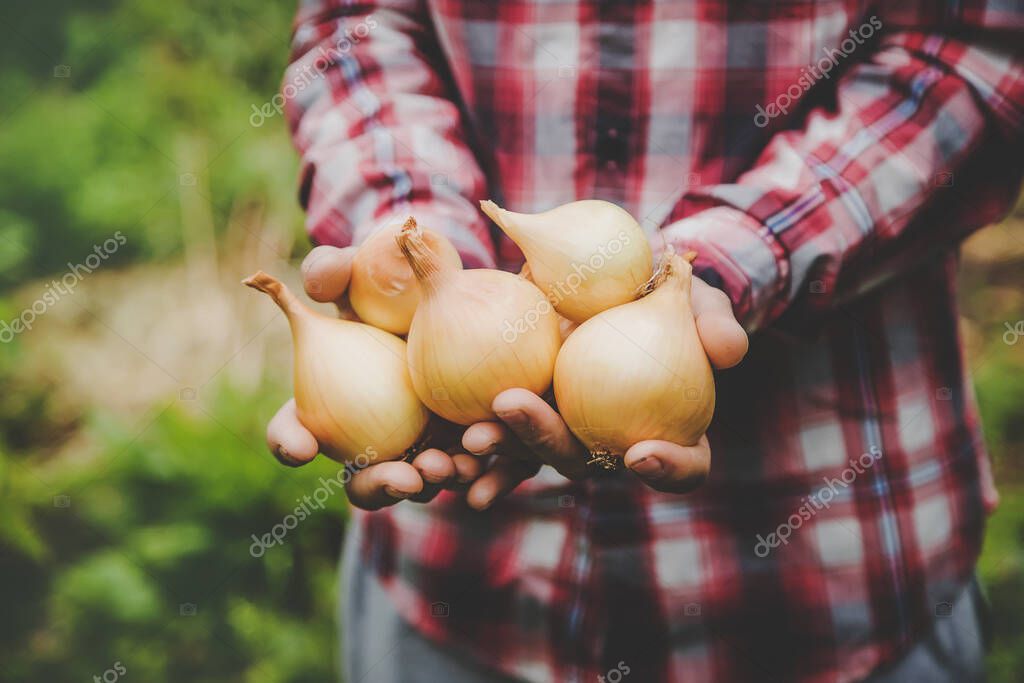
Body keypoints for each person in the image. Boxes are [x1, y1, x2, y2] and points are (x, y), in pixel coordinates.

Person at [266, 1, 1023, 681]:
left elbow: (974, 50)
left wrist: (737, 253)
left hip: (837, 569)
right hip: (456, 587)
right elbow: (354, 26)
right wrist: (413, 241)